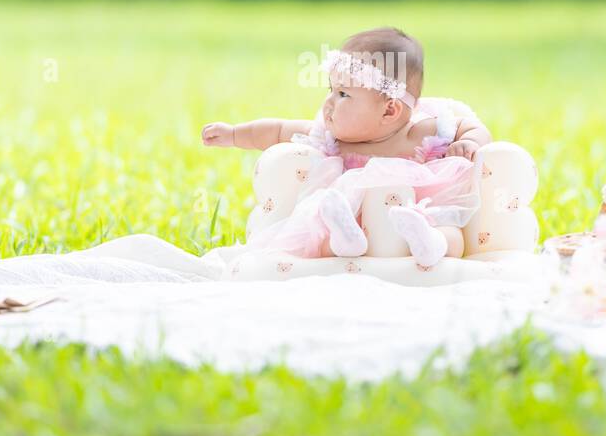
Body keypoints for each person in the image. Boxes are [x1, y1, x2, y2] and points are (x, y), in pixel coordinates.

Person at [202, 27, 491, 266]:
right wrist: (233, 134)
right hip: (358, 220)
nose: (328, 102)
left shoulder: (424, 132)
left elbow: (475, 128)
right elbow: (278, 129)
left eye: (343, 93)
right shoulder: (333, 139)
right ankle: (345, 241)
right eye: (331, 89)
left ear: (390, 111)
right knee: (321, 229)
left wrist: (469, 142)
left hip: (419, 213)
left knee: (451, 232)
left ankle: (431, 243)